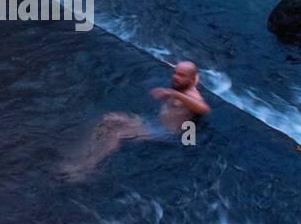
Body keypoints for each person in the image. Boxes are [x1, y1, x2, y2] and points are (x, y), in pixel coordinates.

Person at [60, 60, 210, 180]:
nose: (176, 77)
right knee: (109, 119)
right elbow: (194, 74)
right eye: (175, 73)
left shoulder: (193, 98)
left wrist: (173, 93)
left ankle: (86, 170)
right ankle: (83, 155)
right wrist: (172, 64)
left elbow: (203, 109)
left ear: (191, 79)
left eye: (181, 75)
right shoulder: (190, 80)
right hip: (153, 122)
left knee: (117, 133)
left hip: (164, 133)